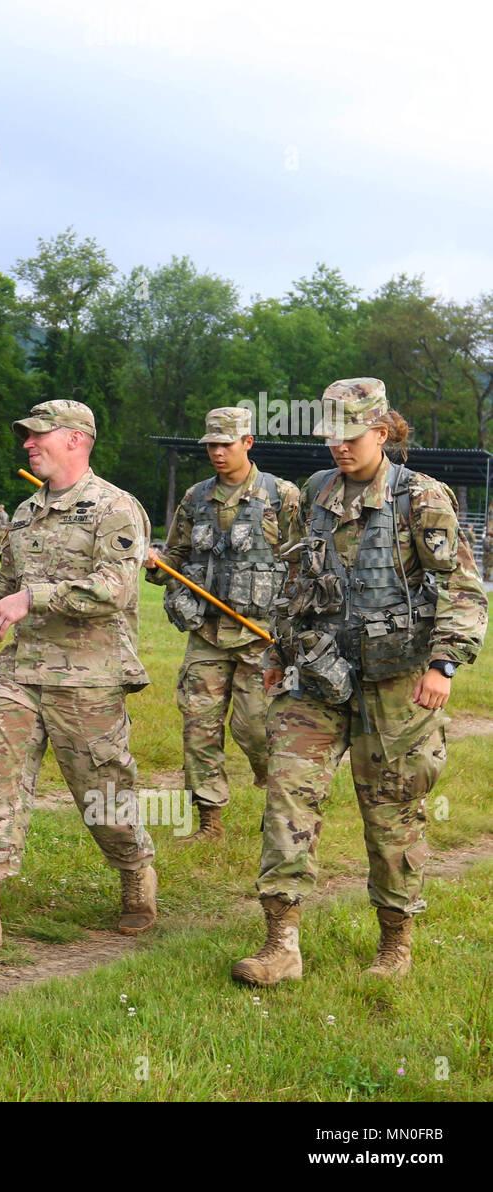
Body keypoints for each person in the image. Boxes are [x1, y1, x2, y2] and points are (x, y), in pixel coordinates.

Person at [232, 379, 487, 987]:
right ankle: (280, 946)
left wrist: (443, 664)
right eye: (331, 434)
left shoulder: (421, 499)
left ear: (381, 431)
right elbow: (297, 576)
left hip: (398, 683)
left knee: (393, 812)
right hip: (317, 677)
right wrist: (278, 649)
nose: (338, 446)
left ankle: (395, 943)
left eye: (350, 435)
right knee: (287, 794)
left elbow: (461, 587)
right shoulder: (316, 492)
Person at [0, 400, 157, 952]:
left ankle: (135, 873)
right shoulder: (24, 514)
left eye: (38, 436)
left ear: (77, 440)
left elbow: (115, 590)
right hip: (21, 676)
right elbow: (9, 587)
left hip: (88, 680)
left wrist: (34, 597)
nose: (27, 443)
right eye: (25, 436)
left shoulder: (115, 508)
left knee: (104, 797)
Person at [144, 407, 300, 844]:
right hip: (208, 633)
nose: (216, 452)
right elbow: (177, 555)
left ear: (248, 443)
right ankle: (209, 819)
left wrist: (293, 625)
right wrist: (156, 563)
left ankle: (278, 799)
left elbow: (306, 560)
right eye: (210, 445)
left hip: (260, 636)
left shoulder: (282, 495)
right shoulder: (196, 498)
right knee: (199, 726)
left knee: (255, 726)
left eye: (225, 444)